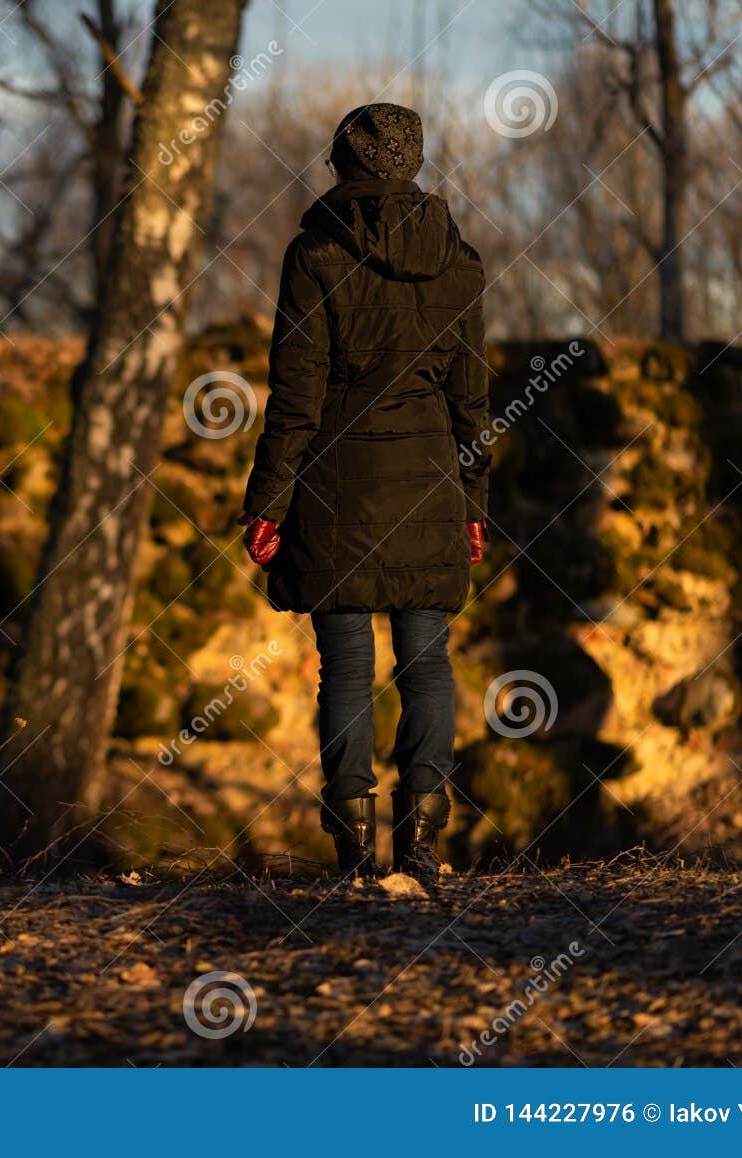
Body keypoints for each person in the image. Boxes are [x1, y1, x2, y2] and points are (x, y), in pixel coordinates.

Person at [239, 103, 488, 886]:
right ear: (410, 162)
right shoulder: (461, 262)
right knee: (427, 661)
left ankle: (352, 848)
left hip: (335, 485)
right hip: (429, 486)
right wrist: (475, 505)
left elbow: (296, 398)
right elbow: (472, 401)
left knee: (345, 664)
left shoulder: (313, 255)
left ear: (344, 164)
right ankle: (422, 841)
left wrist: (267, 501)